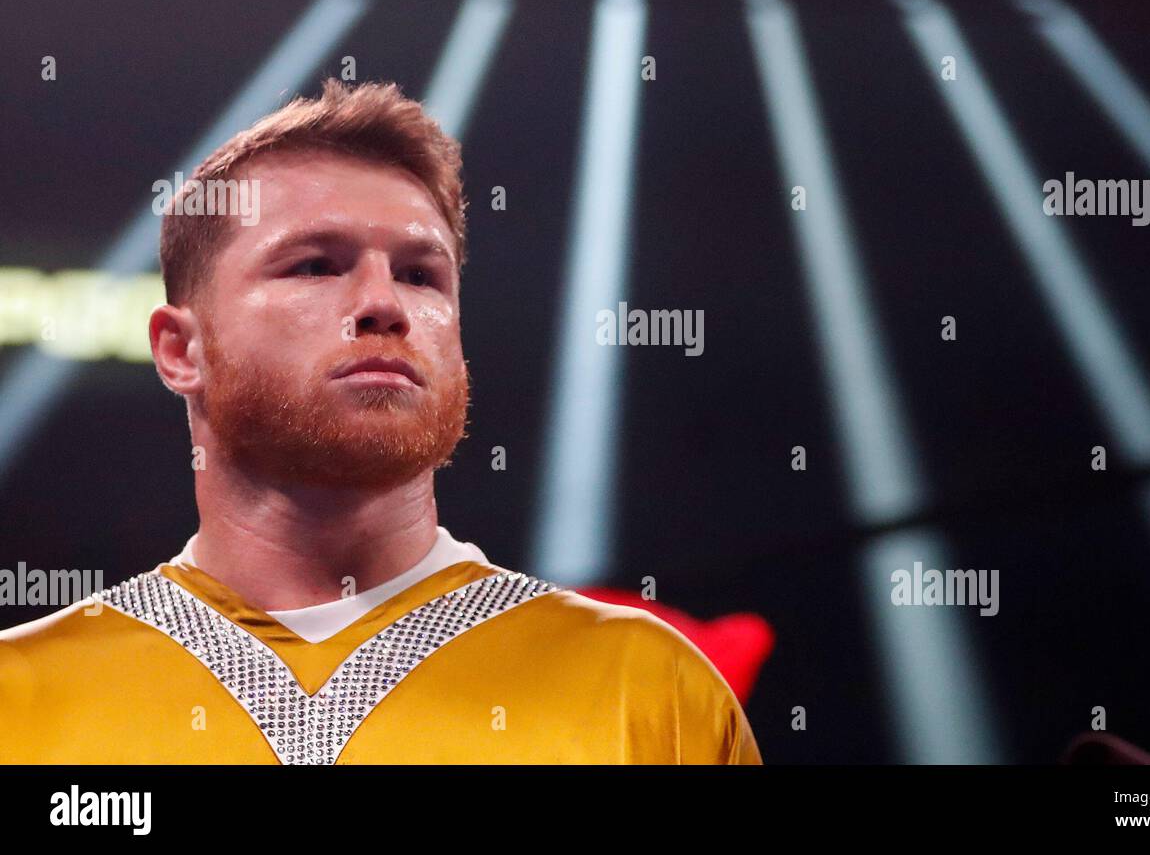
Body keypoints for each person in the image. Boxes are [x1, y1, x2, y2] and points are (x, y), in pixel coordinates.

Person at [0, 79, 762, 765]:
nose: (384, 303)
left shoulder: (649, 690)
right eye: (316, 264)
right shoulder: (19, 697)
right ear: (179, 349)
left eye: (421, 274)